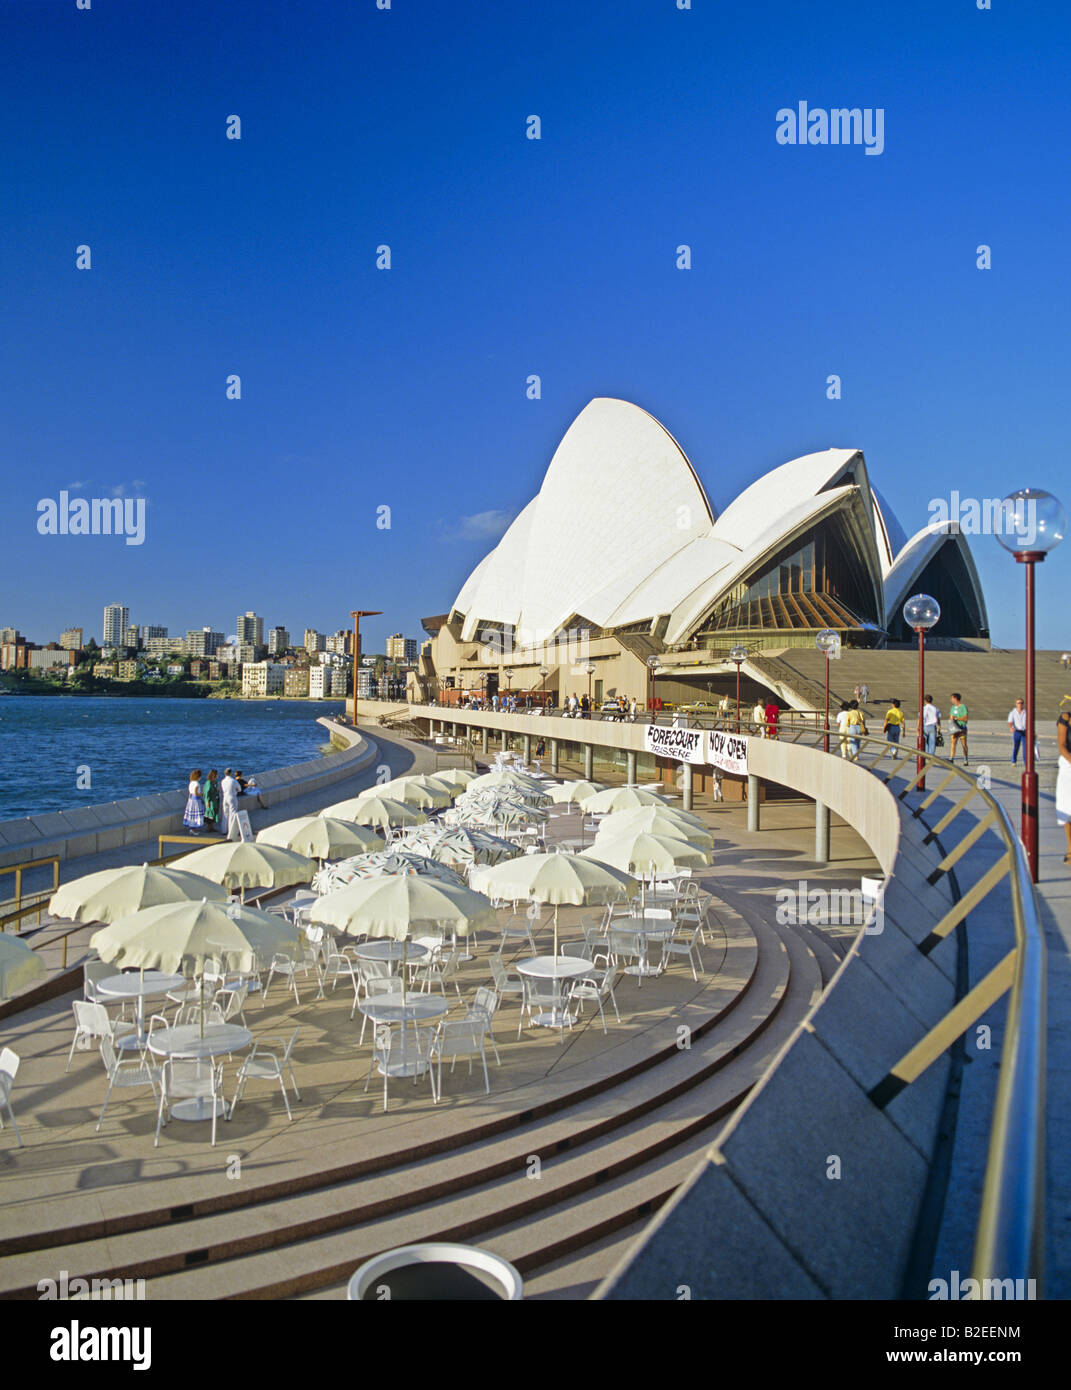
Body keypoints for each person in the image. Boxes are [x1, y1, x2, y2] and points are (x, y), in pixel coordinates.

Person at [1058, 699, 1071, 863]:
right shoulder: (1065, 718)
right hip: (1069, 767)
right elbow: (1061, 745)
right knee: (1067, 809)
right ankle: (1070, 848)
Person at [949, 693, 969, 765]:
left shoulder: (963, 707)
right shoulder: (953, 707)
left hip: (962, 728)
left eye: (952, 698)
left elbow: (965, 718)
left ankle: (965, 759)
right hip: (954, 728)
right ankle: (951, 758)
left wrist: (957, 718)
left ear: (955, 698)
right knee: (953, 743)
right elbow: (951, 716)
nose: (951, 700)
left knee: (964, 744)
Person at [183, 768, 205, 832]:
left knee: (192, 814)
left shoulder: (191, 783)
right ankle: (194, 829)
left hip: (191, 799)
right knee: (196, 814)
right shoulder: (197, 784)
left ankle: (192, 828)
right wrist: (202, 794)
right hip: (196, 800)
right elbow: (196, 793)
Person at [220, 767, 240, 836]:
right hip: (232, 797)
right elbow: (239, 789)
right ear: (231, 773)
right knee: (232, 814)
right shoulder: (233, 781)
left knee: (225, 814)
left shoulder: (222, 781)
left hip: (225, 797)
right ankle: (231, 831)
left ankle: (223, 830)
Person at [1008, 698, 1027, 764]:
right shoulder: (1013, 713)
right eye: (1018, 703)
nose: (1020, 704)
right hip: (1017, 731)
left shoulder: (1026, 712)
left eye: (1021, 703)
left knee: (1025, 748)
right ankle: (1014, 760)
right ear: (1016, 704)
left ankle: (1026, 762)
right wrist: (1011, 727)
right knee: (1016, 746)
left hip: (1024, 731)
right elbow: (1010, 722)